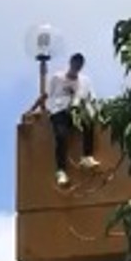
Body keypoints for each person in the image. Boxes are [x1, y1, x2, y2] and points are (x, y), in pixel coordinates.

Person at [35, 52, 99, 186]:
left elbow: (91, 98)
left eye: (79, 65)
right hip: (59, 111)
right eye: (75, 63)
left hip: (76, 110)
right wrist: (35, 108)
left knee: (88, 121)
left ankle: (87, 156)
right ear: (71, 63)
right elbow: (47, 95)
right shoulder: (57, 78)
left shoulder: (84, 81)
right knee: (61, 136)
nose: (77, 67)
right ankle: (61, 170)